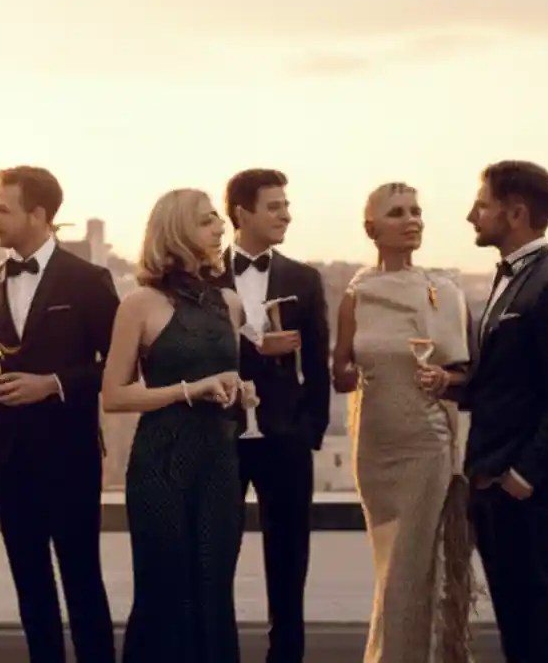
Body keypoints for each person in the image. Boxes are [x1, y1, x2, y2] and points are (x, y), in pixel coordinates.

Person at [103, 188, 251, 662]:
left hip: (219, 462)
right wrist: (190, 389)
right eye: (208, 220)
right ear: (179, 229)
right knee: (166, 590)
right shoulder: (139, 304)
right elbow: (114, 395)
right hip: (161, 464)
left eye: (217, 220)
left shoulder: (229, 302)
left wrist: (243, 390)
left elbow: (229, 375)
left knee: (213, 587)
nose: (220, 227)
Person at [462, 161, 548, 663]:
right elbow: (509, 381)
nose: (470, 215)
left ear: (515, 213)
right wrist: (455, 385)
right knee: (519, 625)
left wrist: (523, 474)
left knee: (534, 627)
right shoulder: (518, 278)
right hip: (496, 484)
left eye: (482, 204)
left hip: (525, 490)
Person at [331, 183, 476, 662]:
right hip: (375, 447)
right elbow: (341, 373)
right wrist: (353, 373)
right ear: (372, 228)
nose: (412, 219)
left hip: (426, 444)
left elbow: (466, 372)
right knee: (390, 566)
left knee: (409, 572)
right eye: (397, 213)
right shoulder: (357, 293)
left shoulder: (443, 290)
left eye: (417, 211)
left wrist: (443, 376)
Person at [0, 166, 118, 663]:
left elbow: (120, 367)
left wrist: (53, 385)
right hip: (6, 450)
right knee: (29, 581)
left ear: (38, 214)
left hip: (69, 453)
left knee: (82, 578)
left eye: (1, 208)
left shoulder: (89, 280)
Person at [212, 168, 329, 663]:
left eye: (286, 205)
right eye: (275, 206)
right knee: (215, 559)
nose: (286, 214)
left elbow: (319, 363)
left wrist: (310, 433)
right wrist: (254, 344)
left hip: (285, 440)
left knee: (289, 562)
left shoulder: (304, 278)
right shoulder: (203, 276)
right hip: (219, 435)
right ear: (242, 213)